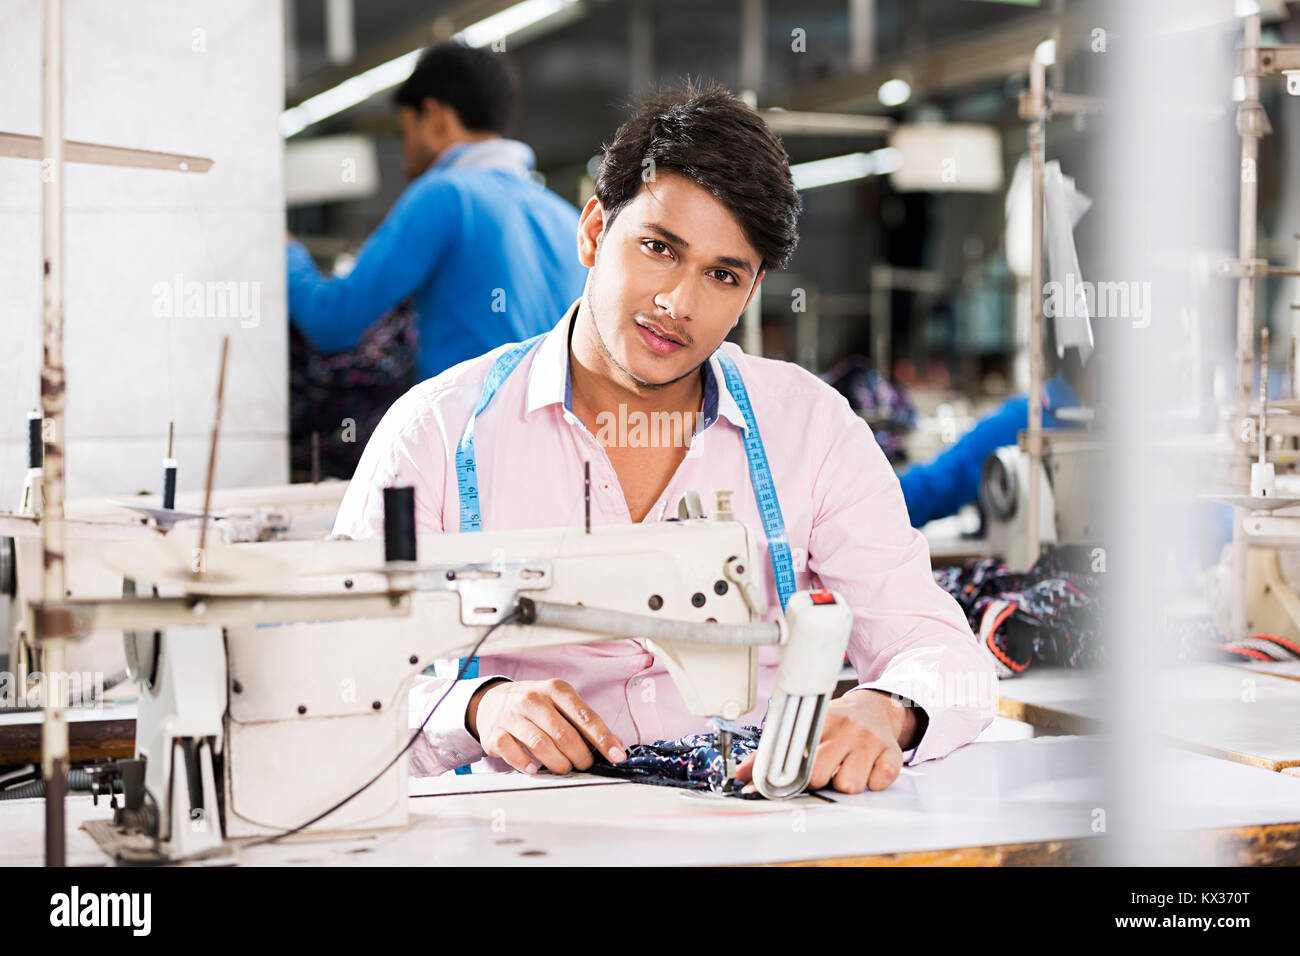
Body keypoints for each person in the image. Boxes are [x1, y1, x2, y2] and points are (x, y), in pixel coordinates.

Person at [332, 81, 997, 795]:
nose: (678, 304)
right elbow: (336, 683)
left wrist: (888, 707)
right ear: (592, 232)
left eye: (721, 275)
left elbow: (943, 655)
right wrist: (473, 705)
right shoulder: (434, 434)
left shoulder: (811, 429)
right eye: (658, 248)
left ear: (751, 292)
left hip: (752, 833)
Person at [286, 42, 588, 382]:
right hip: (553, 432)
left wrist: (287, 253)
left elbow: (333, 321)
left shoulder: (446, 195)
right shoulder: (567, 219)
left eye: (404, 133)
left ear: (436, 118)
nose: (404, 158)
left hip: (464, 431)